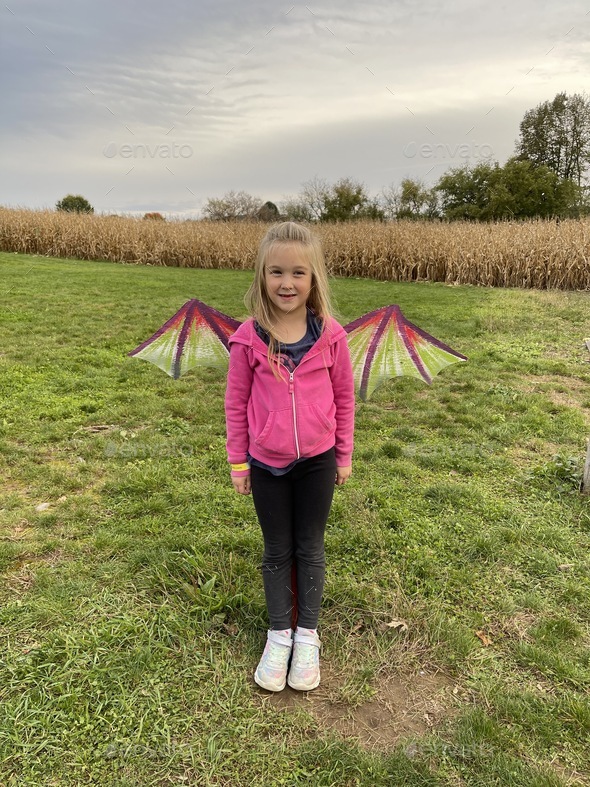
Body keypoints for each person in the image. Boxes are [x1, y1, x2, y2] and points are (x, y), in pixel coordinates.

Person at [224, 221, 355, 692]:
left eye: (299, 273)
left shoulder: (331, 336)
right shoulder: (248, 338)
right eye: (277, 272)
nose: (287, 283)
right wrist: (239, 461)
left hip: (319, 460)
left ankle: (308, 635)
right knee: (277, 550)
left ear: (314, 278)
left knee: (310, 546)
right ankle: (279, 635)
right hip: (266, 464)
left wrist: (344, 455)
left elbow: (344, 398)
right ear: (262, 276)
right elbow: (235, 403)